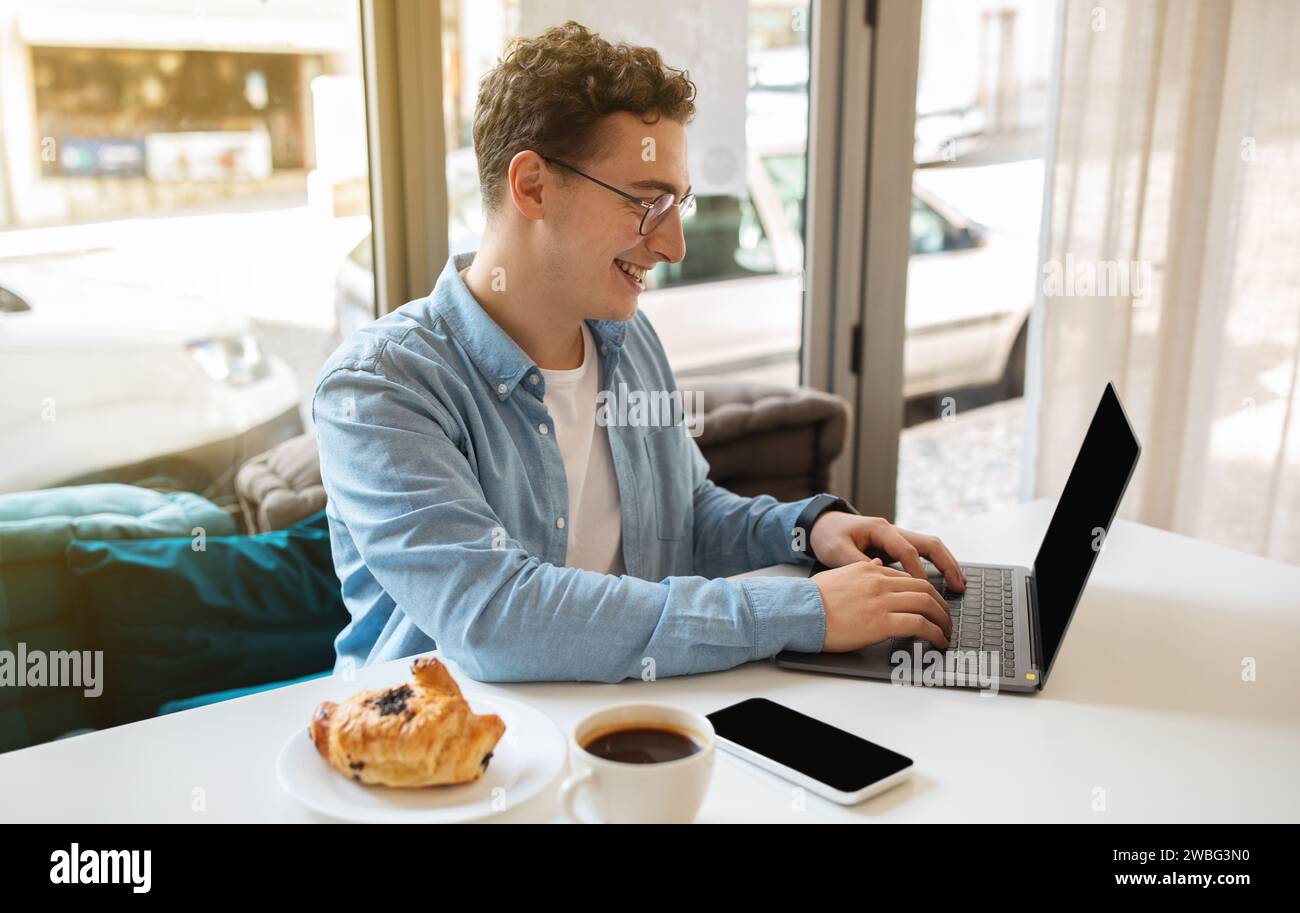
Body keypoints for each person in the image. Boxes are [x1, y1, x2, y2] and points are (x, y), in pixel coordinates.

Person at [312, 21, 963, 683]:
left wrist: (806, 529)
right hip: (447, 766)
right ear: (532, 185)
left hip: (629, 728)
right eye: (647, 201)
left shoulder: (625, 339)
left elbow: (686, 513)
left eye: (677, 202)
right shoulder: (379, 389)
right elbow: (497, 615)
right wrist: (799, 608)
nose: (675, 245)